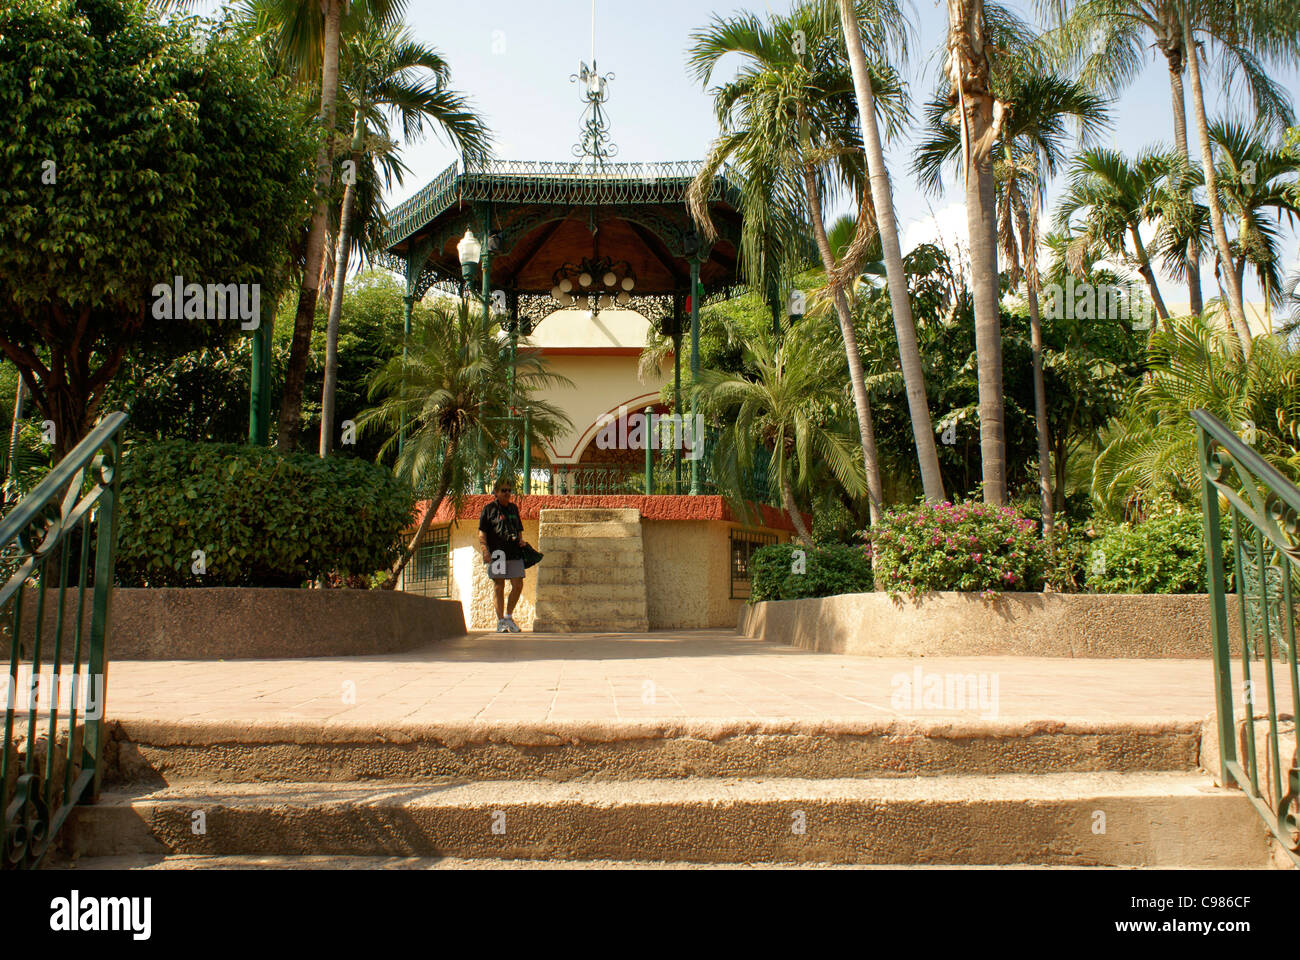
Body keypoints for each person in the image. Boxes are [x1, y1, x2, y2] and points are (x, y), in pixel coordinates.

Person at [478, 480, 526, 633]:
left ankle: (508, 617)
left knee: (518, 585)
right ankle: (500, 622)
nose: (507, 493)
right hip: (497, 553)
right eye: (503, 490)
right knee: (499, 586)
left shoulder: (513, 508)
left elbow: (518, 528)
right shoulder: (488, 510)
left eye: (509, 490)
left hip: (514, 552)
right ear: (496, 492)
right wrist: (485, 550)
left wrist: (520, 540)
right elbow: (482, 532)